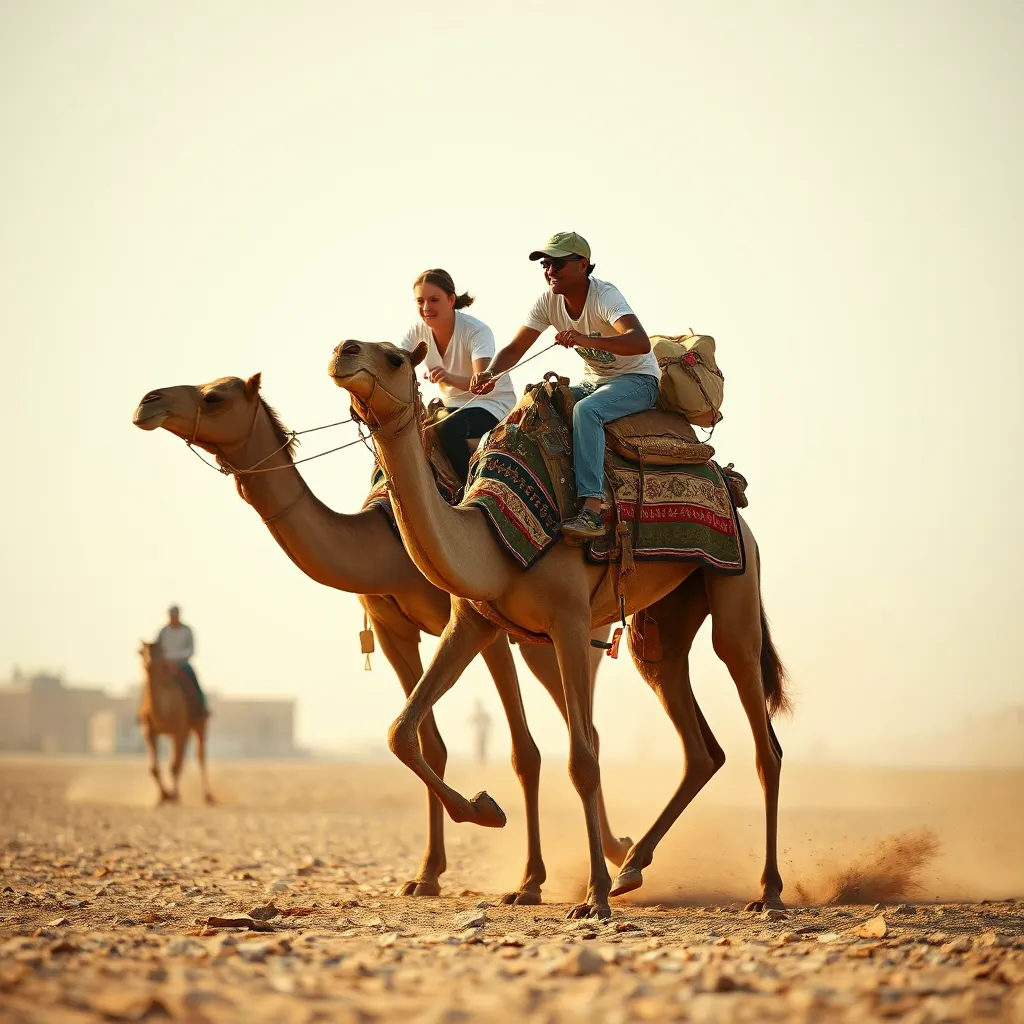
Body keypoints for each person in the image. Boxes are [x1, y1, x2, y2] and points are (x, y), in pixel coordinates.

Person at [471, 232, 659, 540]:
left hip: (638, 381)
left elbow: (639, 342)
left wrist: (583, 340)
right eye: (545, 264)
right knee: (536, 403)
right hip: (594, 381)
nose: (549, 271)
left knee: (586, 412)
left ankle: (592, 509)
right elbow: (515, 349)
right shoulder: (548, 301)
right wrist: (491, 372)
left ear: (583, 265)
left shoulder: (605, 296)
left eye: (558, 264)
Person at [400, 269, 516, 483]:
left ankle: (470, 487)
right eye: (420, 301)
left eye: (434, 300)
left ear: (451, 299)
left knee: (446, 426)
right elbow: (397, 365)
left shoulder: (476, 331)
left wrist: (447, 377)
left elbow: (482, 383)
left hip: (489, 404)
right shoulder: (416, 331)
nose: (426, 308)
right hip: (449, 406)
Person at [156, 605, 207, 715]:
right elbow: (157, 648)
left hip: (182, 663)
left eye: (174, 616)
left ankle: (202, 708)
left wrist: (176, 658)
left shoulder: (187, 630)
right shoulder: (163, 631)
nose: (172, 618)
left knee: (194, 682)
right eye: (171, 616)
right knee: (151, 682)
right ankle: (143, 712)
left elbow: (191, 650)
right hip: (165, 664)